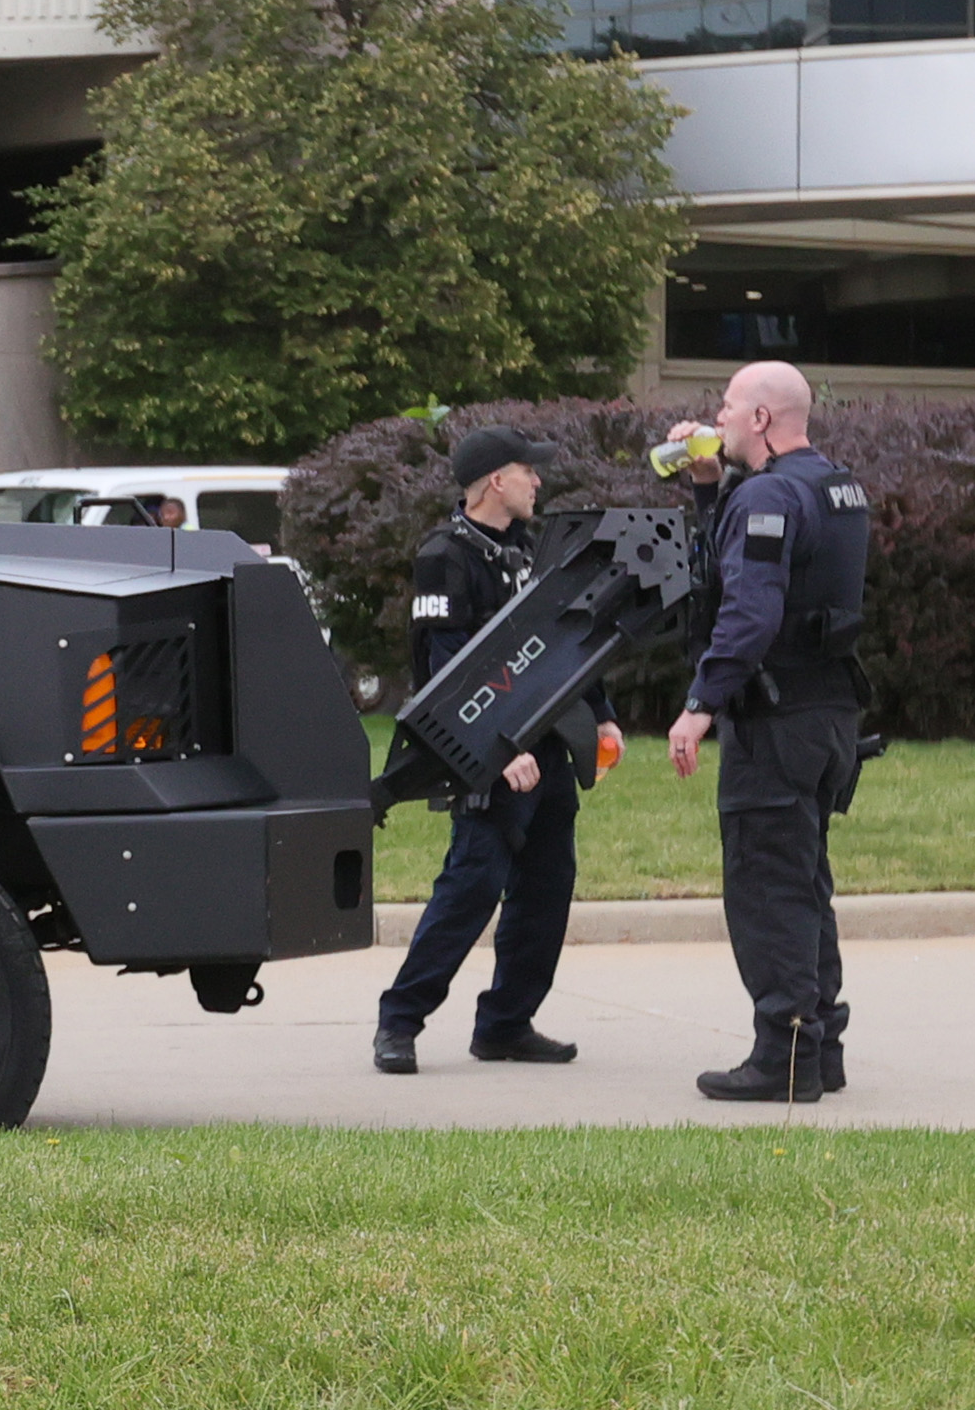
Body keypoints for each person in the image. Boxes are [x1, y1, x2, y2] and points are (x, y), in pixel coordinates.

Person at [373, 425, 620, 1076]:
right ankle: (399, 1021)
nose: (538, 481)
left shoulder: (535, 548)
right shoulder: (446, 556)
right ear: (493, 482)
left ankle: (507, 1024)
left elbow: (572, 637)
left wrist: (603, 715)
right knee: (471, 888)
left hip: (549, 749)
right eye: (527, 470)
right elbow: (443, 668)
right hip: (488, 756)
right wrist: (494, 745)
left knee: (546, 890)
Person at [665, 361, 870, 1103]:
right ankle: (823, 1045)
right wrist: (708, 487)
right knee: (805, 881)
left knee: (767, 888)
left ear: (758, 418)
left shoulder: (771, 495)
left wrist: (701, 704)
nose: (715, 416)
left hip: (776, 722)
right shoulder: (835, 485)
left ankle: (784, 1056)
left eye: (726, 406)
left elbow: (748, 611)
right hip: (829, 717)